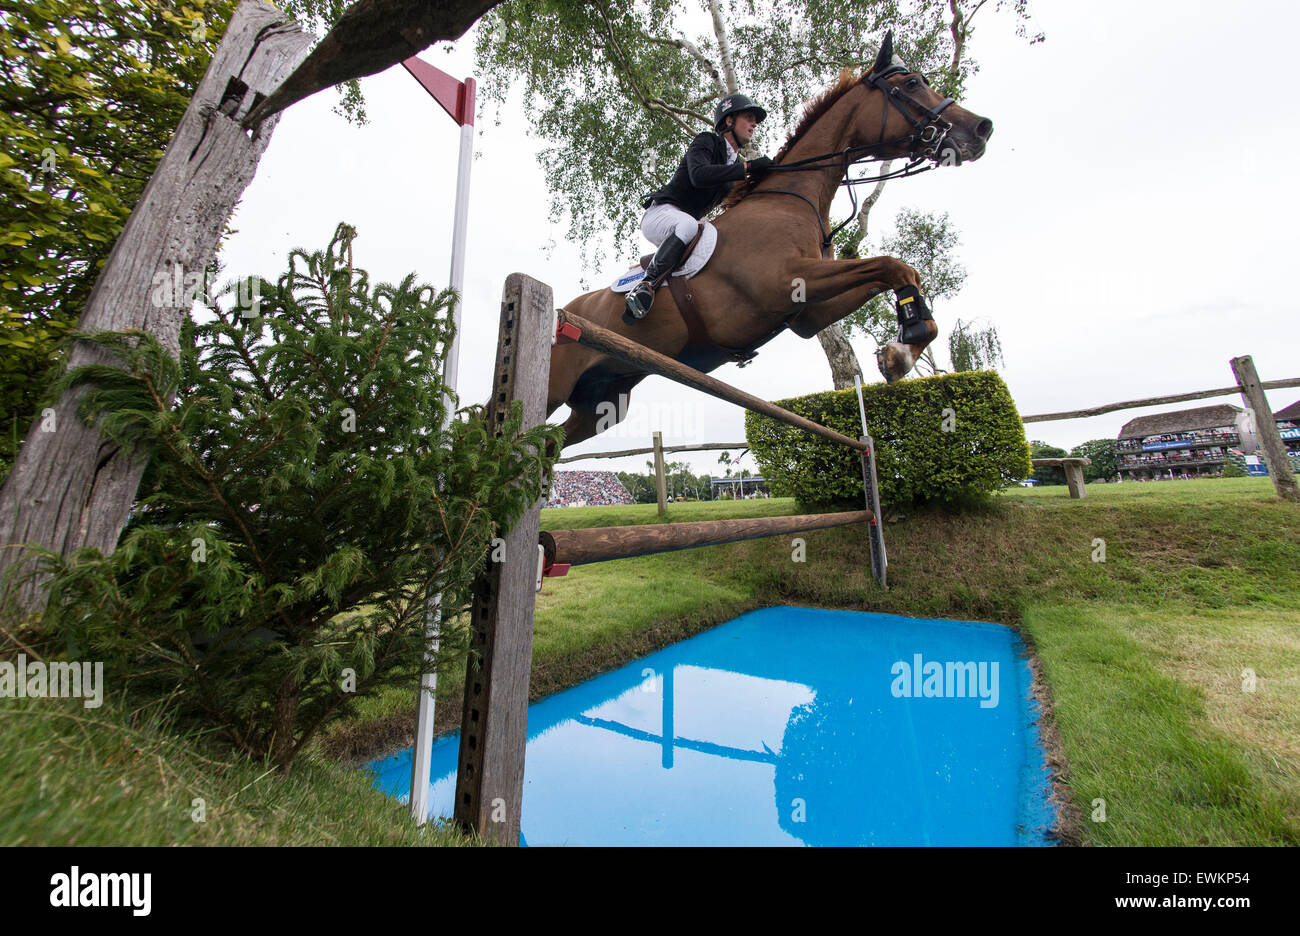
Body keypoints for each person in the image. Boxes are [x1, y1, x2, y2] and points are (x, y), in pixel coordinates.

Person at [624, 93, 776, 324]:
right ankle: (646, 285)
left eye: (754, 119)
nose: (754, 124)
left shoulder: (734, 164)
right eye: (749, 117)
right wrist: (747, 167)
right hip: (661, 214)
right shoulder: (707, 141)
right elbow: (699, 175)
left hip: (685, 227)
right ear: (729, 121)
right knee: (690, 225)